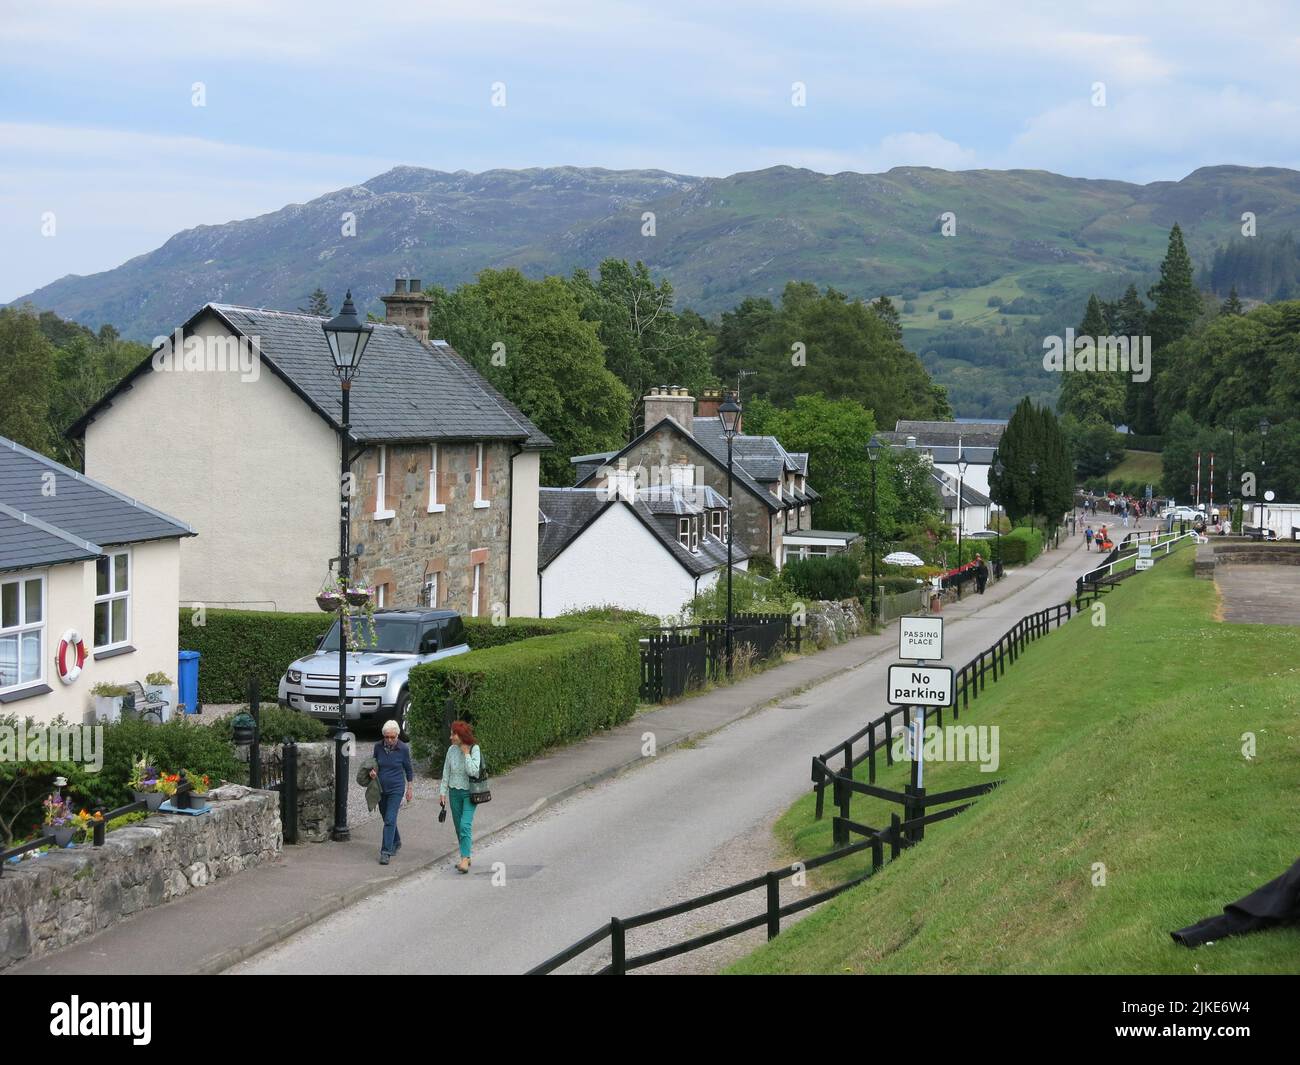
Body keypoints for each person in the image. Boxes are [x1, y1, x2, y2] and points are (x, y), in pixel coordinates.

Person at [440, 720, 482, 873]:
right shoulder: (451, 750)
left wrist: (466, 754)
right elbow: (446, 772)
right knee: (459, 827)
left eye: (454, 734)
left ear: (461, 735)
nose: (451, 737)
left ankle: (464, 859)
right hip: (454, 793)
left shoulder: (474, 749)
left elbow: (473, 772)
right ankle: (467, 855)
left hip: (470, 793)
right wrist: (442, 792)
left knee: (465, 825)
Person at [370, 720, 413, 865]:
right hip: (381, 788)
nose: (389, 740)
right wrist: (372, 772)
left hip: (396, 788)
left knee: (389, 818)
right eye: (387, 737)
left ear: (397, 736)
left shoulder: (403, 749)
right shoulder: (378, 747)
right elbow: (374, 764)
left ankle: (386, 852)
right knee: (386, 817)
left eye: (392, 737)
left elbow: (408, 769)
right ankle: (397, 841)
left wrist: (409, 789)